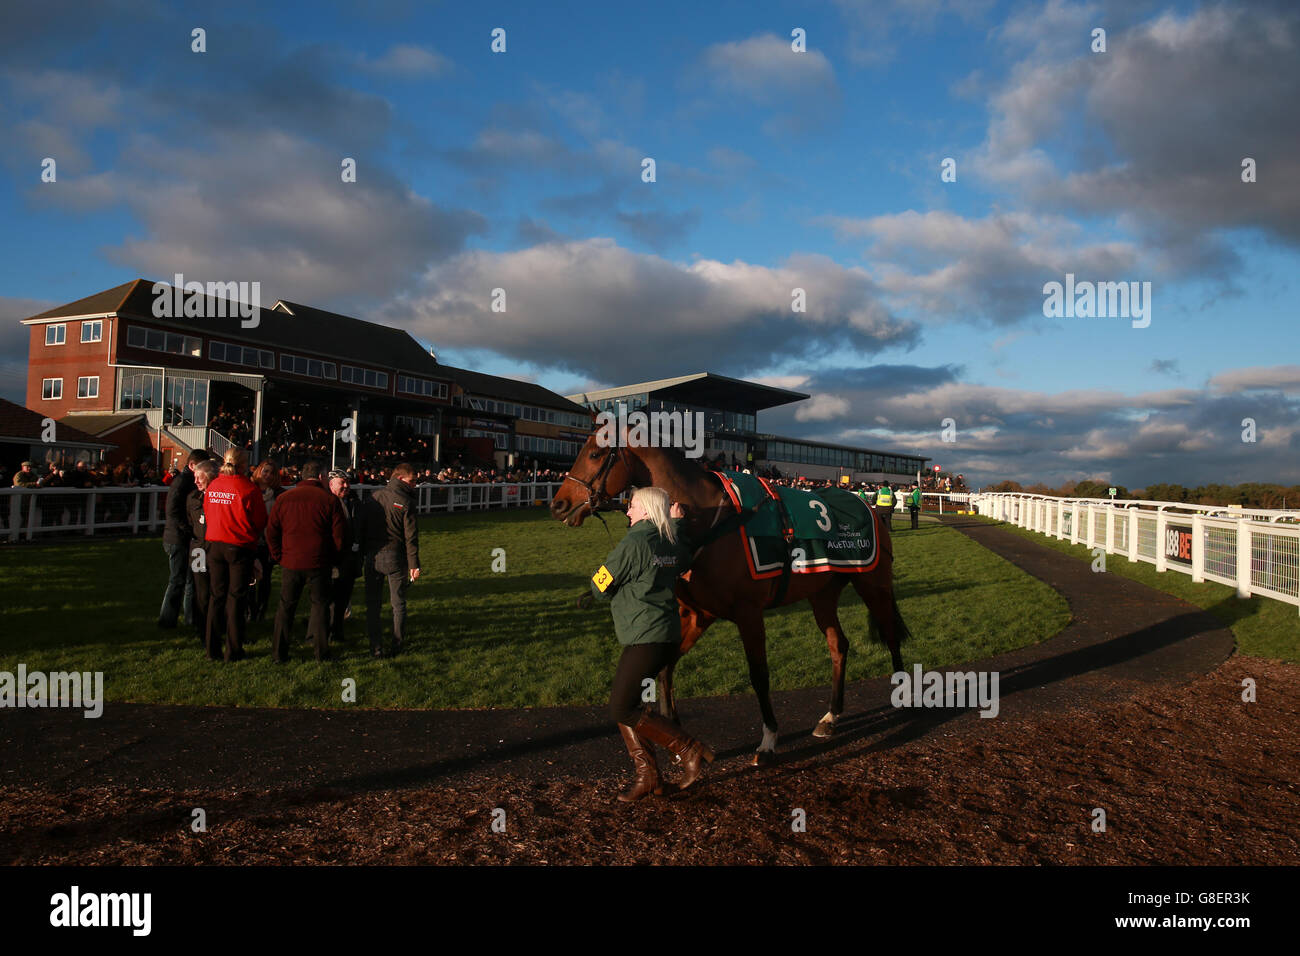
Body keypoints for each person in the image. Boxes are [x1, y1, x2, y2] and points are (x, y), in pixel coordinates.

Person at [586, 486, 713, 802]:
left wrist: (594, 588)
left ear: (645, 510)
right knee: (629, 705)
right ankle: (648, 776)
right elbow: (682, 559)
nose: (627, 512)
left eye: (632, 507)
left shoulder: (635, 541)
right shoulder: (670, 539)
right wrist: (679, 523)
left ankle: (688, 749)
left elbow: (601, 584)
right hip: (666, 634)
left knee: (620, 706)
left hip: (645, 635)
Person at [266, 460, 345, 662]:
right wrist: (333, 559)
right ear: (321, 477)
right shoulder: (329, 500)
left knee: (286, 607)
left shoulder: (284, 499)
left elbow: (272, 531)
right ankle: (321, 653)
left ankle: (278, 653)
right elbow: (338, 537)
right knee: (320, 607)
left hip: (291, 561)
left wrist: (278, 556)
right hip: (319, 562)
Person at [203, 448, 268, 662]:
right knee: (236, 598)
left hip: (214, 544)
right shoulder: (248, 488)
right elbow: (260, 521)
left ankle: (212, 650)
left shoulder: (213, 485)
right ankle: (233, 649)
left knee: (216, 597)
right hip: (239, 546)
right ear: (242, 464)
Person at [362, 461, 421, 658]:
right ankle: (397, 643)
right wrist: (414, 564)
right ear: (400, 478)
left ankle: (376, 647)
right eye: (412, 481)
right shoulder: (407, 502)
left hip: (372, 556)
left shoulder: (373, 497)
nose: (414, 485)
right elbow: (411, 538)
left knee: (373, 604)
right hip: (395, 556)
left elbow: (361, 529)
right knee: (398, 603)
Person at [159, 449, 211, 629]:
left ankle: (191, 618)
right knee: (178, 580)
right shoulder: (182, 482)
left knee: (192, 581)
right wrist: (189, 529)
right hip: (179, 539)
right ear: (192, 465)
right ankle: (167, 620)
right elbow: (172, 511)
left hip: (186, 538)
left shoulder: (186, 481)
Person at [328, 469, 365, 645]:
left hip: (351, 558)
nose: (346, 485)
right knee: (330, 597)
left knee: (343, 596)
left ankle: (337, 629)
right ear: (331, 484)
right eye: (342, 482)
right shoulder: (327, 503)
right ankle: (327, 628)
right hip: (333, 558)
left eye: (347, 482)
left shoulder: (355, 502)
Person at [187, 459, 219, 645]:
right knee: (201, 591)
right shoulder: (193, 498)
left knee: (216, 589)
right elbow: (189, 522)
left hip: (215, 549)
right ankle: (201, 629)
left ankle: (216, 626)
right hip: (198, 550)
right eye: (194, 478)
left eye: (199, 478)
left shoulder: (218, 496)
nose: (196, 482)